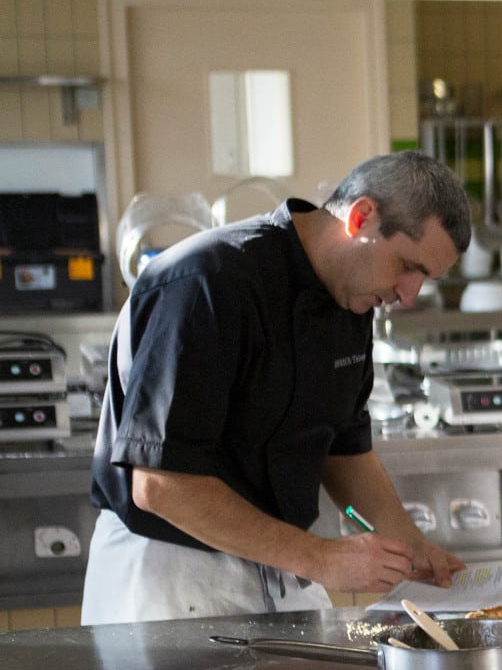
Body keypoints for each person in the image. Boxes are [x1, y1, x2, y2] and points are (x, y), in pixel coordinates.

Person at [83, 151, 469, 625]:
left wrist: (412, 548)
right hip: (170, 572)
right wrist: (321, 558)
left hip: (280, 561)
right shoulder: (210, 282)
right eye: (408, 267)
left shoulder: (351, 305)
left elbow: (342, 452)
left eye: (425, 279)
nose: (408, 296)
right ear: (361, 217)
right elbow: (162, 485)